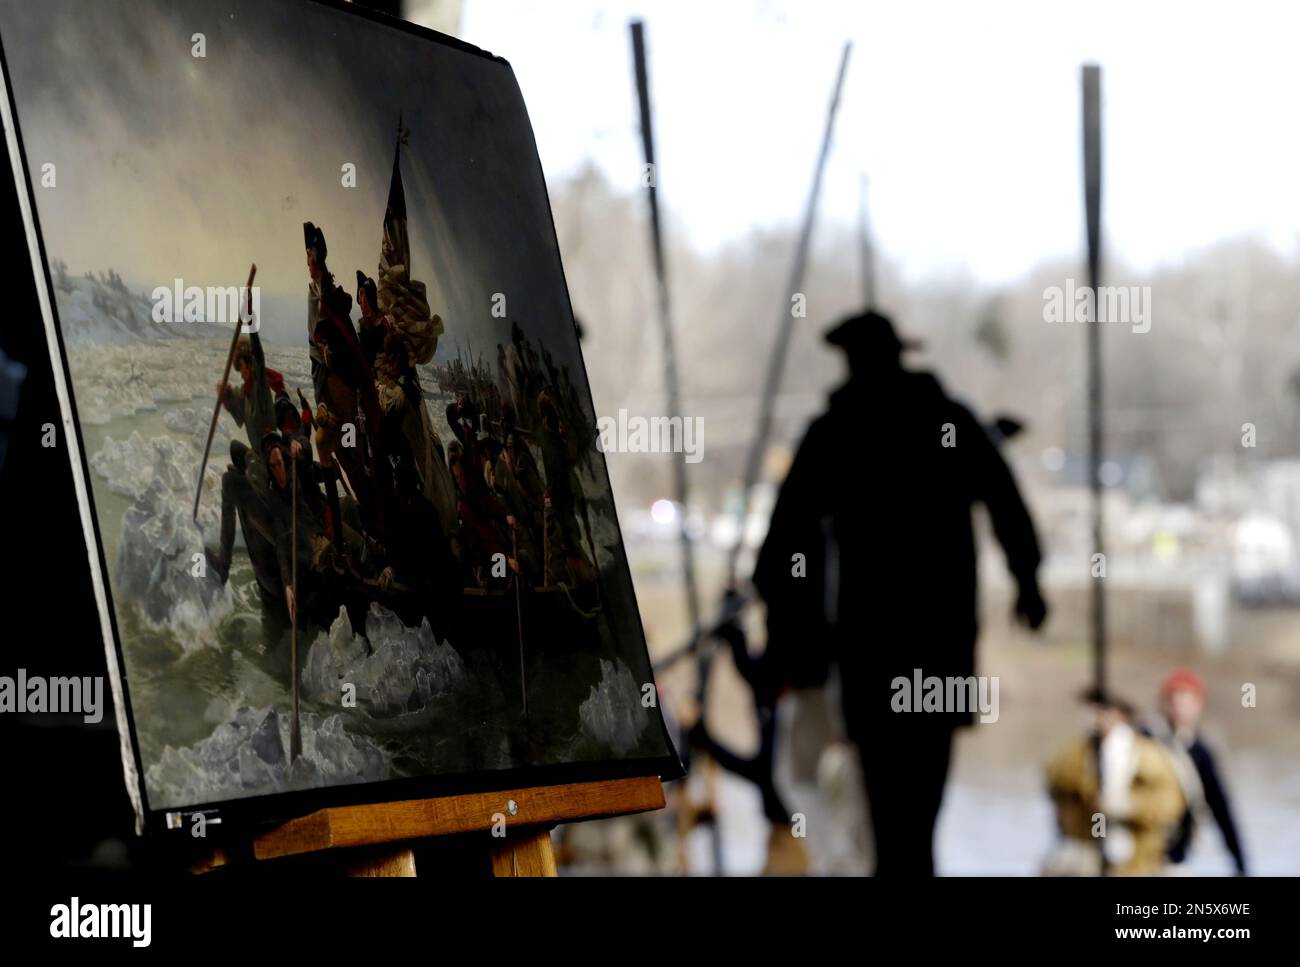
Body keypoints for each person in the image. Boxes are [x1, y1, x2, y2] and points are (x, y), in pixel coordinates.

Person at [752, 308, 1049, 877]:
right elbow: (1005, 499)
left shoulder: (837, 431)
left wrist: (786, 644)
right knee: (919, 815)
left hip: (870, 653)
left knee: (891, 821)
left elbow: (783, 546)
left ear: (853, 359)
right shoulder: (948, 420)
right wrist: (1027, 581)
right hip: (941, 647)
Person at [1045, 689, 1185, 876]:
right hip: (1086, 850)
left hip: (1138, 858)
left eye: (1104, 710)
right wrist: (1091, 785)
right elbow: (1055, 782)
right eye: (1093, 709)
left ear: (1121, 714)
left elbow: (1169, 805)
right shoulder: (1076, 752)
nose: (1096, 716)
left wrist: (1129, 805)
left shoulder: (1149, 755)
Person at [1144, 669, 1248, 875]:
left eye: (1186, 702)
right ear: (1163, 703)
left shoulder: (1201, 753)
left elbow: (1222, 811)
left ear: (1199, 706)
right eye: (1174, 701)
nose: (1179, 708)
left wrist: (1240, 865)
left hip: (1175, 859)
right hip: (1137, 858)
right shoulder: (1143, 741)